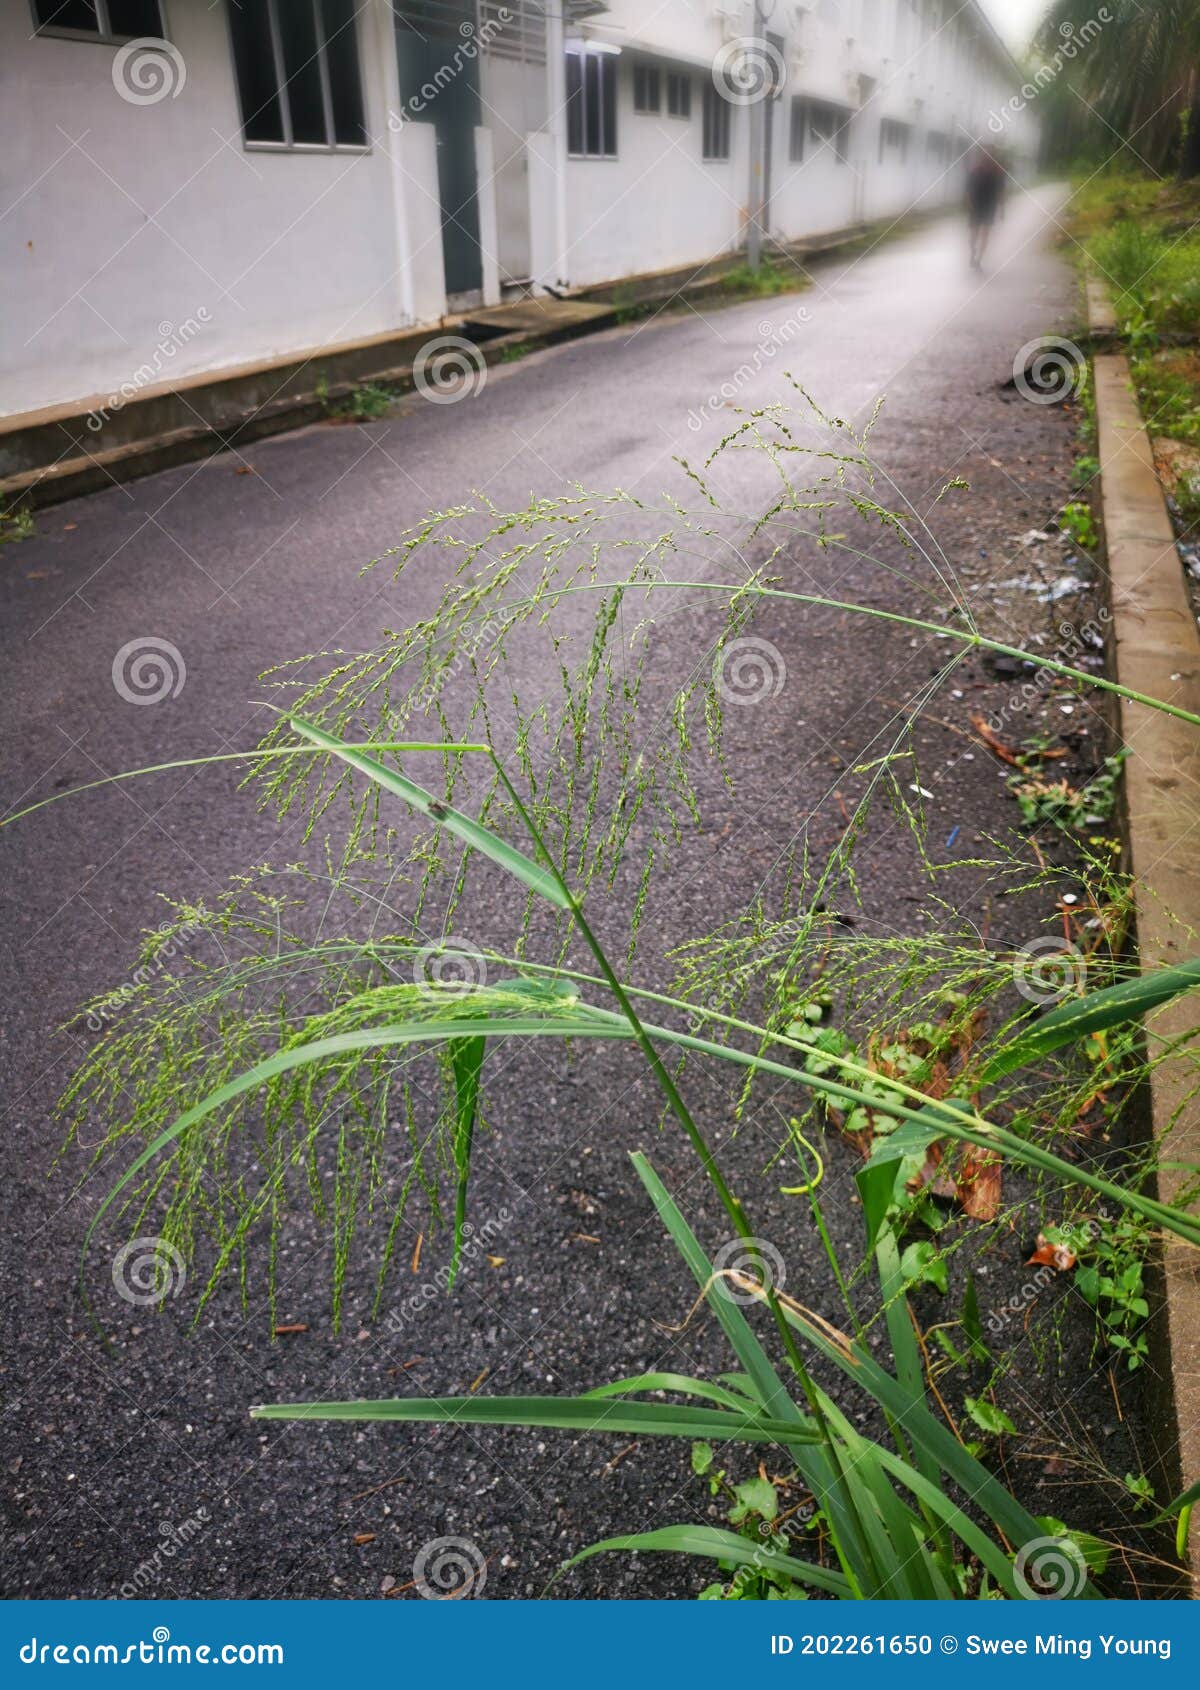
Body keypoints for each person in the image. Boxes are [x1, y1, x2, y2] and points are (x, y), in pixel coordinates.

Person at [966, 145, 1004, 271]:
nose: (987, 155)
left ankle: (978, 260)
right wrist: (969, 202)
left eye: (989, 153)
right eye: (984, 153)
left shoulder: (998, 172)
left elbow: (1000, 192)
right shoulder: (975, 170)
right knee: (973, 234)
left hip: (989, 207)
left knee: (985, 234)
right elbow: (968, 189)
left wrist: (1001, 209)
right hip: (976, 205)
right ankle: (972, 252)